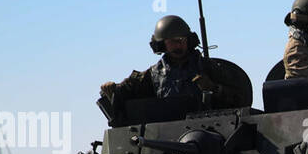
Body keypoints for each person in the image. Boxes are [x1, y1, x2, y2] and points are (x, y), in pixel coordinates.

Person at [100, 15, 248, 109]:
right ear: (162, 44)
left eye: (181, 40)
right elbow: (126, 93)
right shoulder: (153, 74)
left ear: (188, 41)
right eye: (172, 41)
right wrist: (113, 89)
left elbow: (240, 99)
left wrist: (214, 89)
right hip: (167, 135)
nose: (178, 45)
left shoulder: (208, 67)